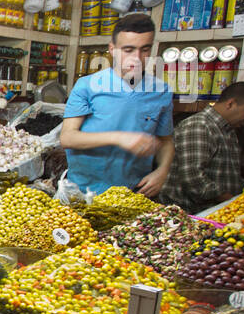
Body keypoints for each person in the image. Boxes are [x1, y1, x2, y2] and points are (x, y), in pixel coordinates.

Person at [59, 12, 175, 197]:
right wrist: (120, 138)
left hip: (134, 193)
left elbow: (165, 141)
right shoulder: (87, 86)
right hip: (84, 192)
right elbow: (68, 138)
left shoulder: (161, 92)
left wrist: (162, 172)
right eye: (128, 50)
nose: (137, 58)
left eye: (144, 49)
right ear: (112, 49)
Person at [159, 82, 244, 213]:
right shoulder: (200, 126)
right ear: (230, 103)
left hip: (216, 212)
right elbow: (194, 180)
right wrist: (234, 202)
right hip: (191, 215)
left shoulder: (227, 130)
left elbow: (228, 176)